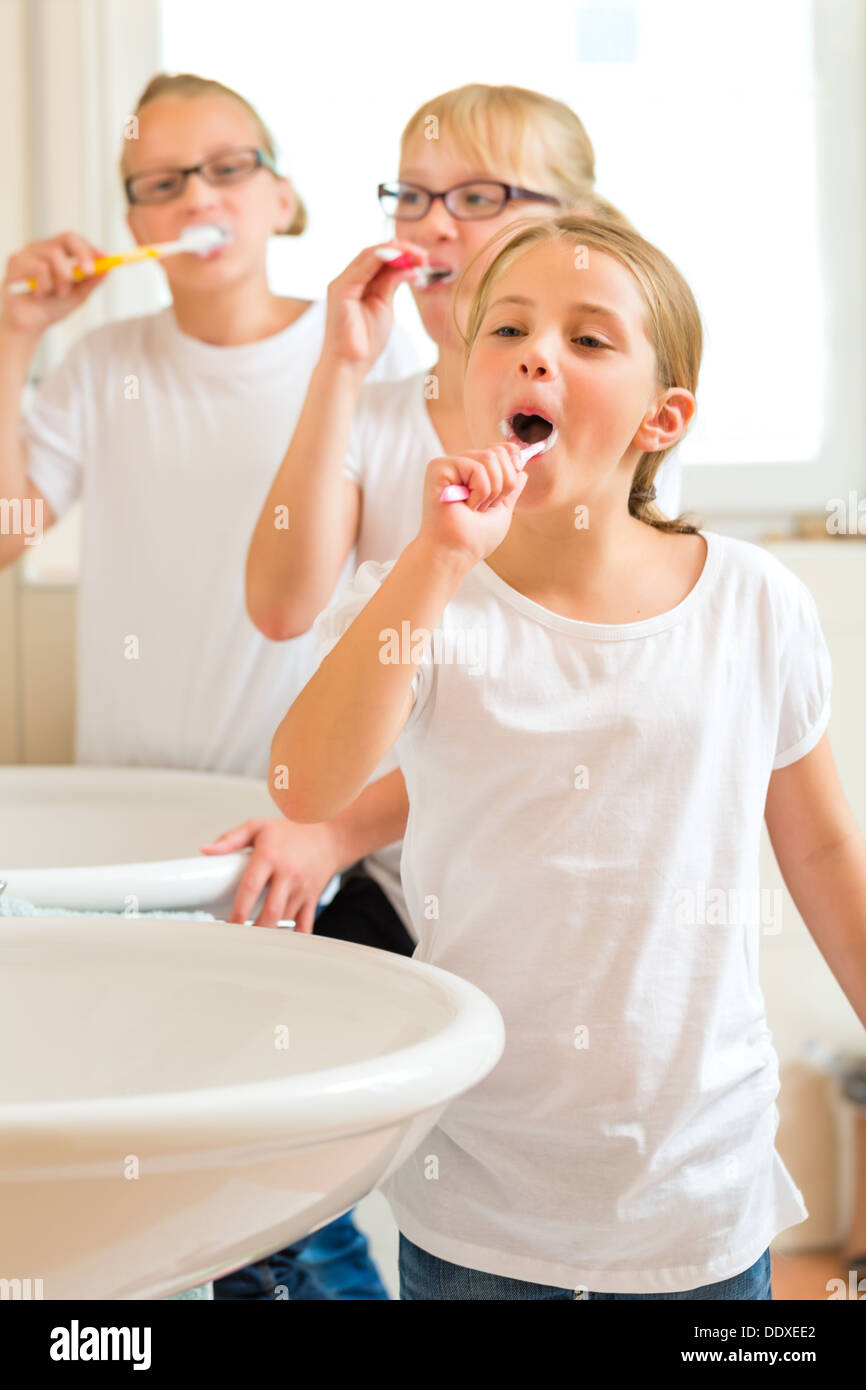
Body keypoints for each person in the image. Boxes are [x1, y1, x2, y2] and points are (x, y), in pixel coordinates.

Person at [268, 210, 866, 1299]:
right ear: (453, 393)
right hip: (483, 1196)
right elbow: (305, 783)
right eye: (505, 330)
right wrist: (435, 560)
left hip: (698, 1184)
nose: (537, 350)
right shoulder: (428, 599)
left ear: (660, 417)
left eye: (589, 340)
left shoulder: (752, 603)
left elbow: (820, 849)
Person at [0, 70, 422, 1300]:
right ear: (134, 222)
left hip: (278, 841)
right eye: (162, 181)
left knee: (268, 1182)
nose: (200, 196)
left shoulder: (355, 363)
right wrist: (18, 336)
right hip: (128, 844)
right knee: (151, 1165)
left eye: (229, 167)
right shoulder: (102, 362)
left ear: (282, 195)